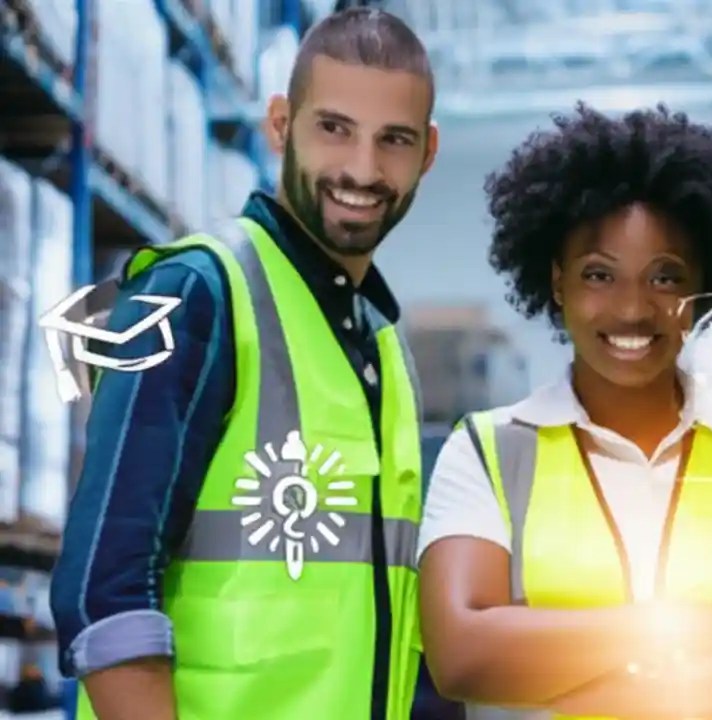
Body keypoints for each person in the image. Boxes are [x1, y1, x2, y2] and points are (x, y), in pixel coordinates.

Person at [49, 8, 439, 719]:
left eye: (394, 141)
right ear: (281, 124)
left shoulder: (382, 344)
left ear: (428, 153)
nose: (362, 168)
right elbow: (102, 591)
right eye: (334, 128)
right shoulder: (194, 292)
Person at [418, 103, 712, 719]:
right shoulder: (489, 453)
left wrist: (616, 692)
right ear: (556, 282)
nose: (632, 310)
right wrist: (702, 630)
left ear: (705, 286)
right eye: (599, 275)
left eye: (665, 277)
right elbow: (463, 653)